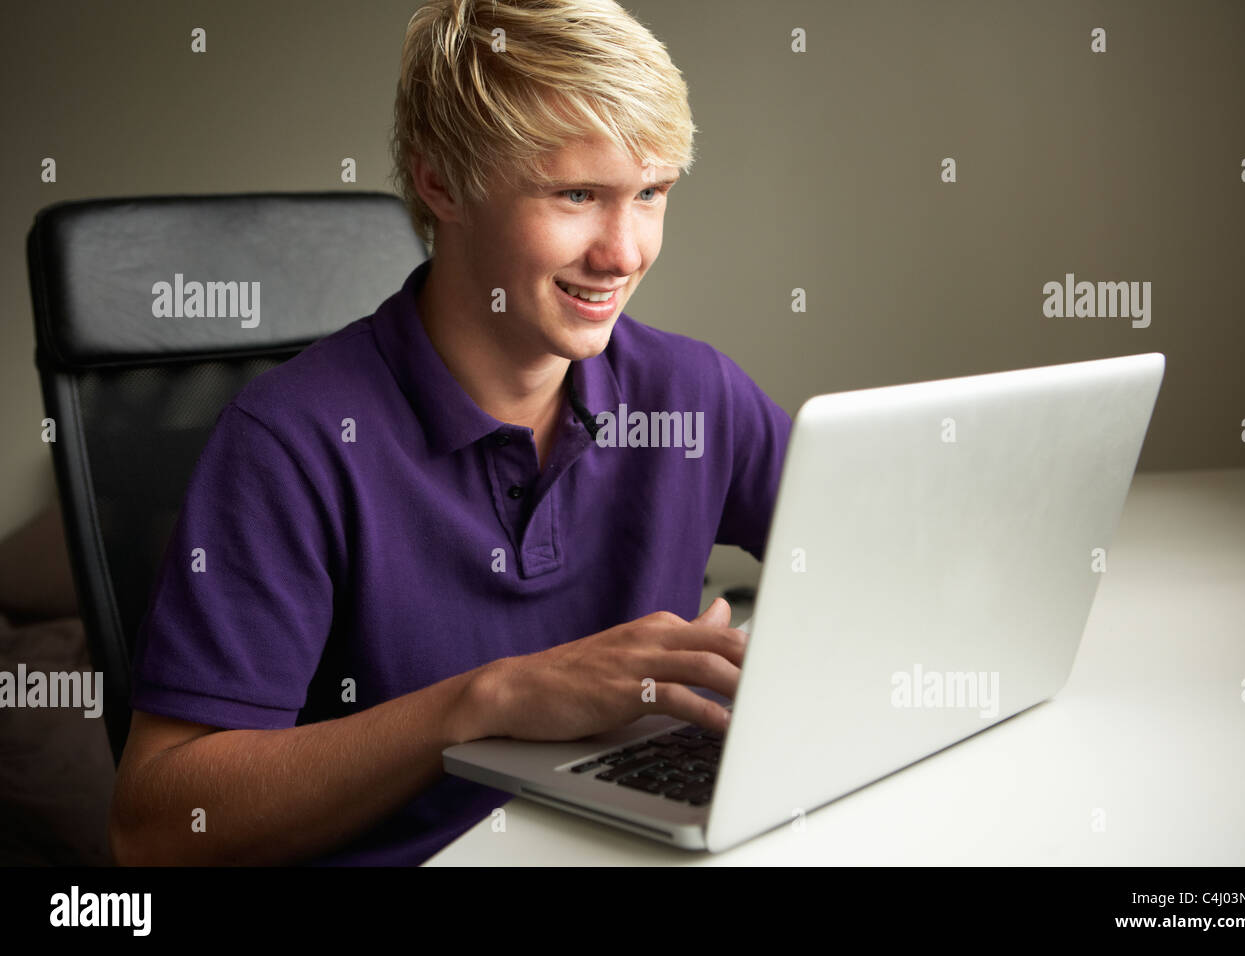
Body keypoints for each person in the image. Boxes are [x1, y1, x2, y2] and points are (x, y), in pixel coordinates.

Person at [109, 0, 792, 866]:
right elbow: (155, 827)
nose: (624, 252)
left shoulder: (694, 393)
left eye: (650, 194)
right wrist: (488, 700)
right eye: (577, 195)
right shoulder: (288, 443)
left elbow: (882, 559)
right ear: (441, 183)